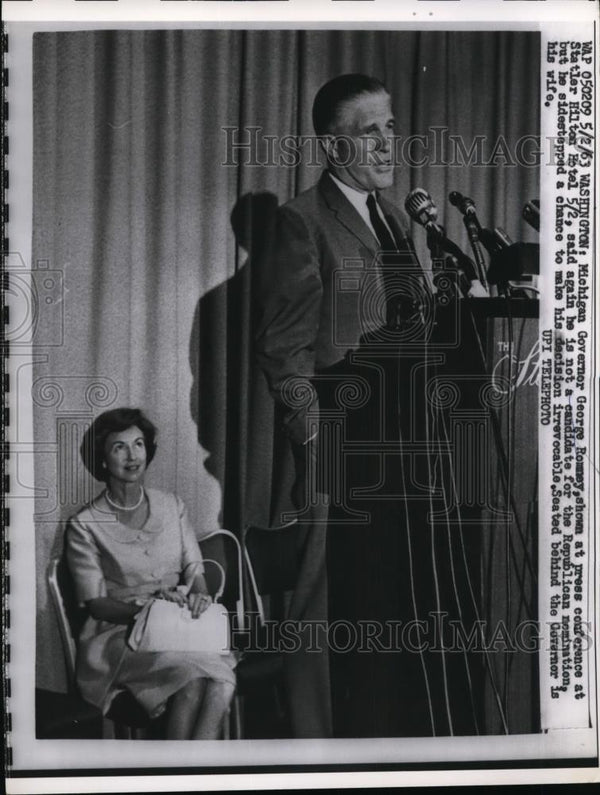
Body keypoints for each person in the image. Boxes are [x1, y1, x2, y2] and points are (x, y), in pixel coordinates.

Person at [255, 74, 482, 737]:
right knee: (326, 610)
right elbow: (284, 350)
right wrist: (317, 442)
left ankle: (388, 738)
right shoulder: (301, 221)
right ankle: (316, 750)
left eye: (390, 128)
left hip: (404, 444)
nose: (387, 143)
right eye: (369, 131)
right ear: (333, 146)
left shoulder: (395, 219)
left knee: (390, 604)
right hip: (343, 443)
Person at [66, 407, 236, 740]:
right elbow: (98, 605)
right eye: (119, 447)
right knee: (192, 684)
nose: (132, 456)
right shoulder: (84, 525)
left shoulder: (173, 506)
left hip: (178, 626)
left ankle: (193, 769)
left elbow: (194, 569)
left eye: (139, 444)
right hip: (119, 635)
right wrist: (150, 611)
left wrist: (199, 595)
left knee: (221, 686)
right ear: (103, 459)